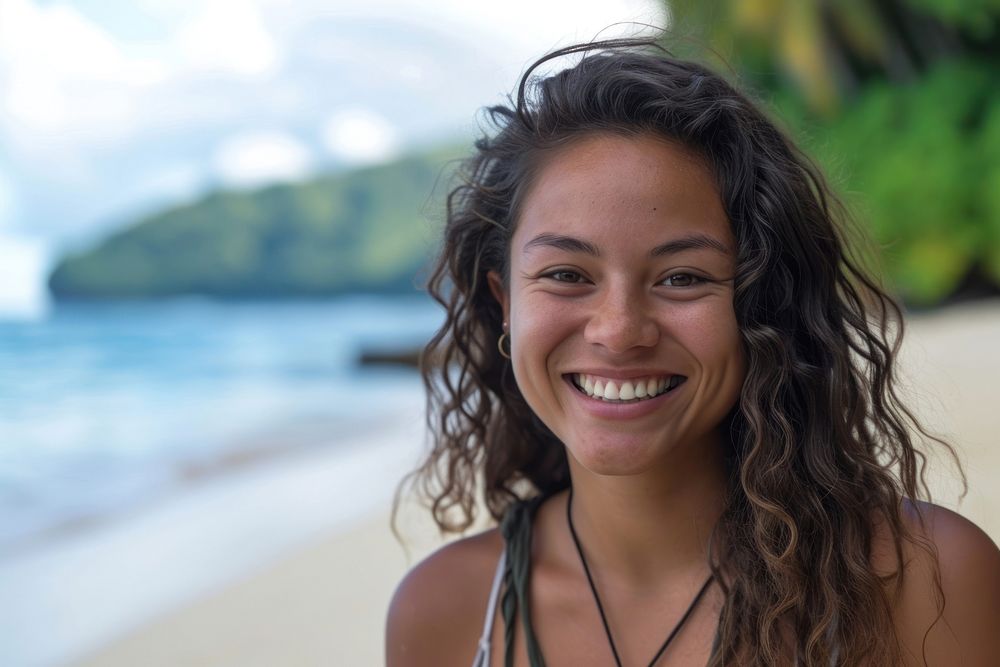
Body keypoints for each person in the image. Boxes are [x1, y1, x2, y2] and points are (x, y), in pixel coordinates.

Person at [385, 38, 1000, 666]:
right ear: (506, 302)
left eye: (682, 277)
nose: (620, 331)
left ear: (762, 303)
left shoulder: (924, 584)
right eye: (567, 275)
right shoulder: (447, 614)